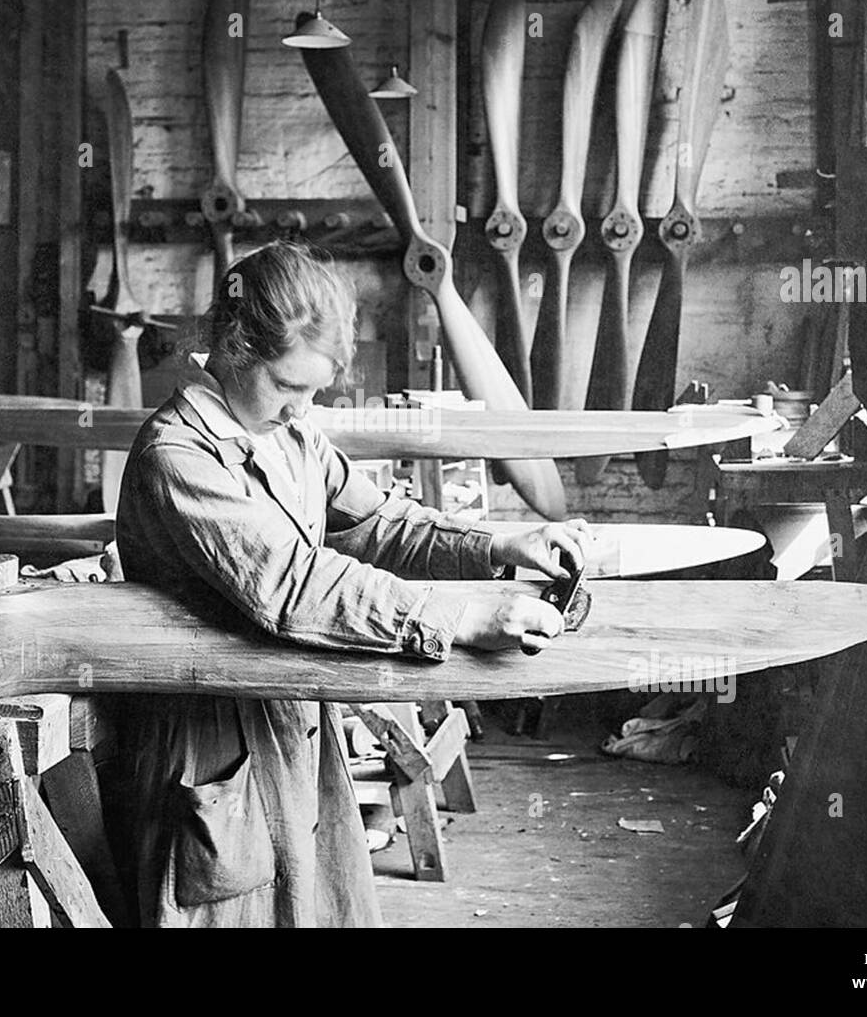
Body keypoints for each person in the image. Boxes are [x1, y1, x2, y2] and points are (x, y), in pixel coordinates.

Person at [115, 240, 591, 927]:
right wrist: (457, 617)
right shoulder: (179, 457)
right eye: (289, 386)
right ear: (236, 345)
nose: (300, 409)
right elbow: (293, 584)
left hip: (293, 734)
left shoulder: (291, 437)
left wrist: (499, 544)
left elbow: (378, 523)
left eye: (312, 392)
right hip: (209, 753)